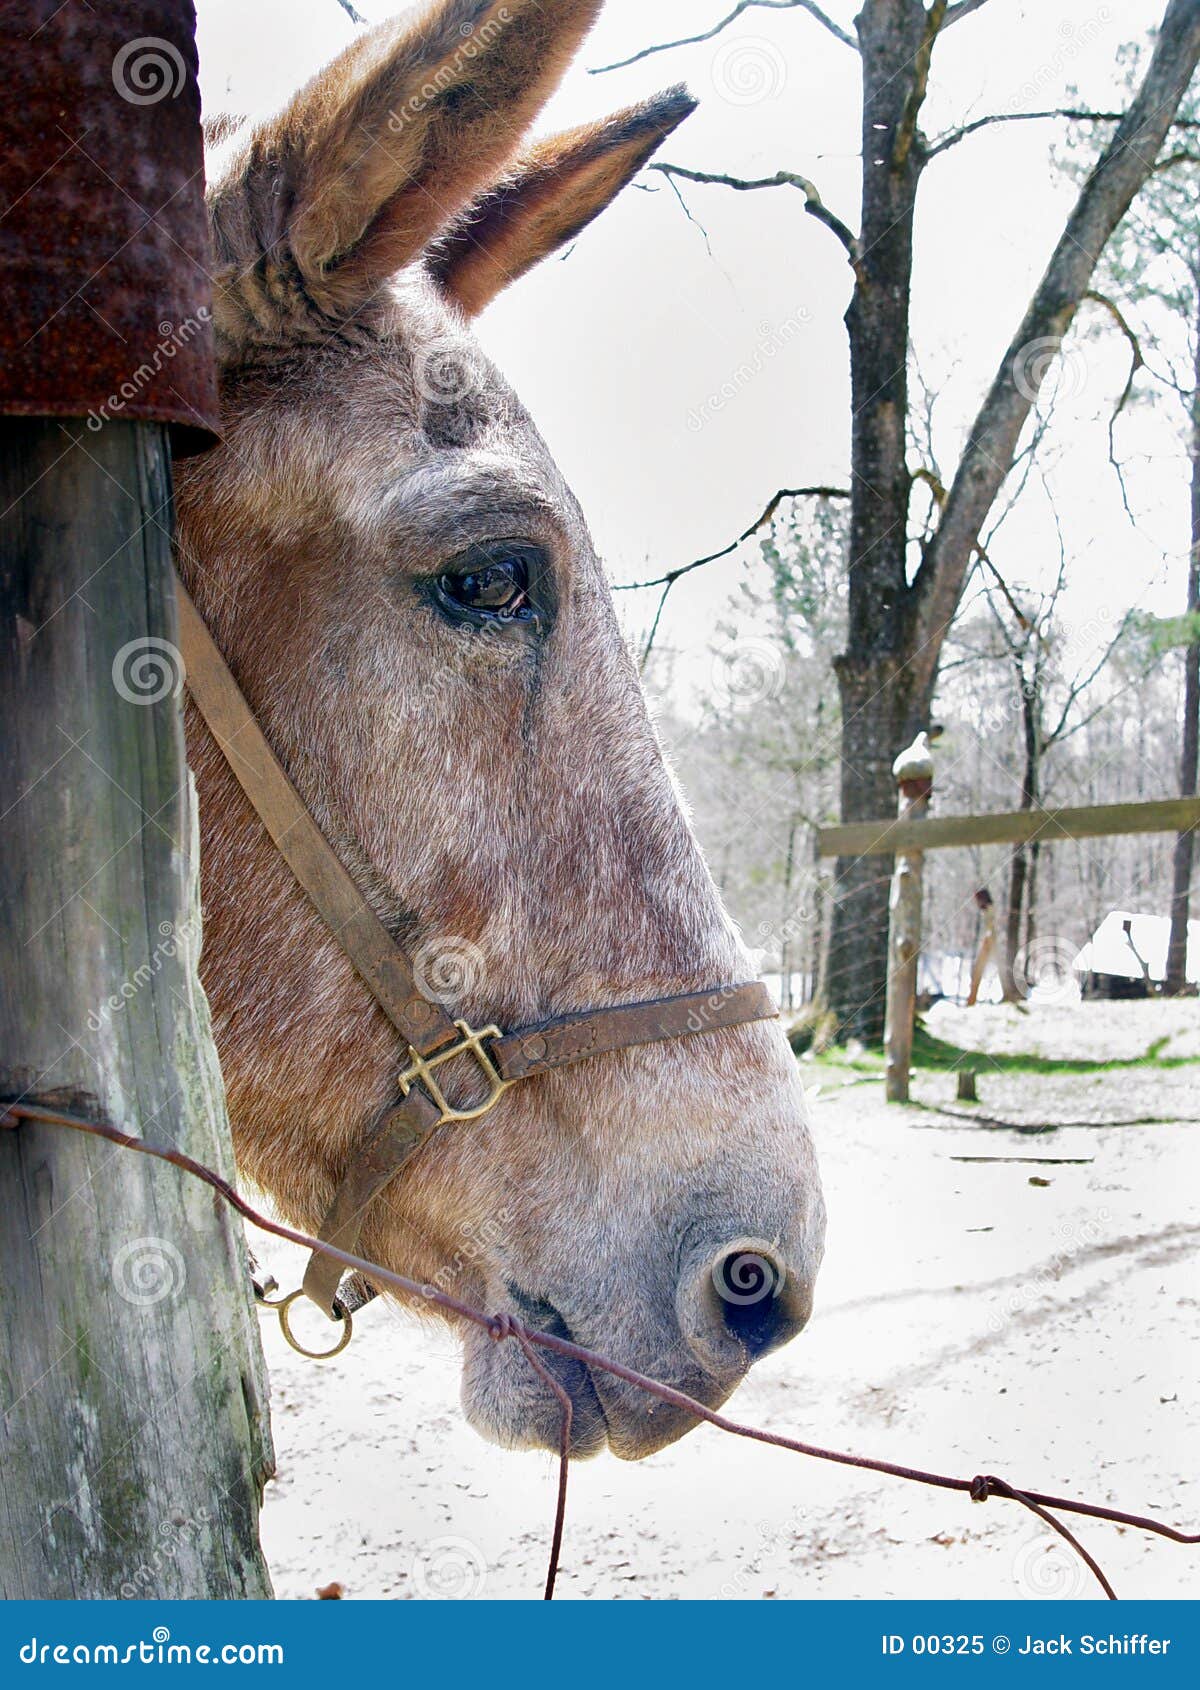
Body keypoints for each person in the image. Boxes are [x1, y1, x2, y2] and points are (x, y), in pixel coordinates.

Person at [966, 887, 996, 1007]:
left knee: (977, 974)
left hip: (988, 946)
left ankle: (971, 1001)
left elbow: (991, 930)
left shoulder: (990, 910)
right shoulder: (985, 911)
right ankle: (971, 1000)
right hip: (986, 945)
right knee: (975, 975)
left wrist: (987, 943)